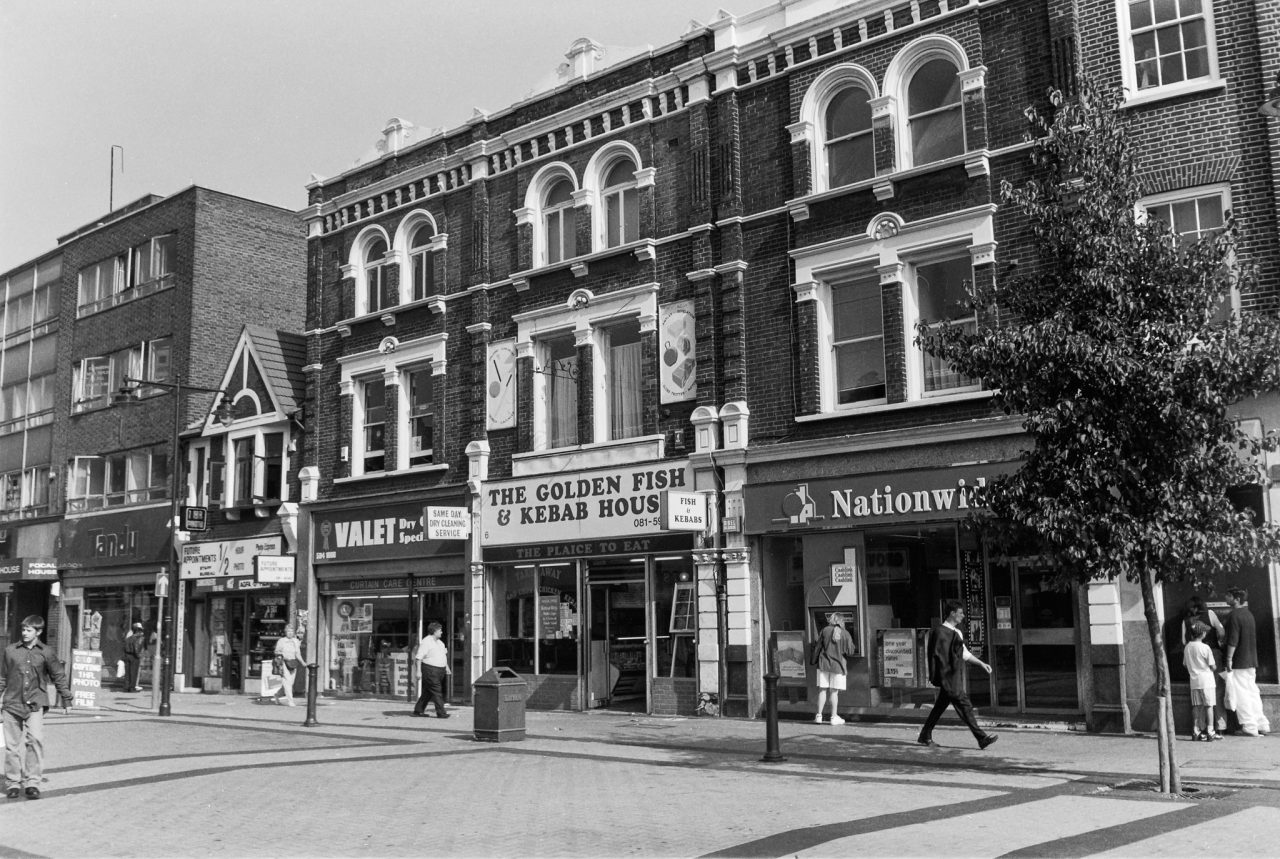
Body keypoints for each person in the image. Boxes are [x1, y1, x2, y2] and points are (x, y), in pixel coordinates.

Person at [0, 616, 73, 800]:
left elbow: (58, 675)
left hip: (36, 703)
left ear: (38, 632)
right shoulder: (10, 651)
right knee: (11, 747)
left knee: (35, 741)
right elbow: (2, 678)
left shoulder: (47, 652)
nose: (24, 633)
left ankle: (32, 783)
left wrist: (66, 698)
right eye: (23, 629)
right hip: (12, 703)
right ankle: (13, 783)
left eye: (29, 630)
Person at [918, 600, 998, 750]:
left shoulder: (957, 633)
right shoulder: (940, 632)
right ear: (952, 613)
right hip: (948, 678)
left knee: (939, 707)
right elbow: (938, 658)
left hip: (952, 677)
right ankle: (981, 738)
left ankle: (925, 735)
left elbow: (964, 654)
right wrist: (944, 680)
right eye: (960, 613)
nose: (963, 616)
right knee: (965, 705)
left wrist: (981, 663)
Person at [1223, 587, 1271, 737]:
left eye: (1228, 596)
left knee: (1241, 694)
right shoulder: (1249, 614)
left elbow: (1233, 640)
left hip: (1239, 661)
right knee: (1252, 692)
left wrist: (1229, 658)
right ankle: (1262, 723)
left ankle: (1249, 726)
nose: (1226, 598)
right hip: (1251, 660)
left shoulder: (1233, 616)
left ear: (1236, 599)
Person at [1180, 595, 1225, 732]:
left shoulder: (1185, 621)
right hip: (1212, 653)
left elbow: (1183, 641)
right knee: (1216, 692)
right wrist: (1219, 642)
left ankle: (1200, 727)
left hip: (1193, 657)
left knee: (1197, 700)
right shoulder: (1210, 613)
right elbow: (1221, 631)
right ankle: (1220, 725)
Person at [812, 611, 855, 726]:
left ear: (831, 620)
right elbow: (851, 651)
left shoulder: (824, 630)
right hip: (838, 666)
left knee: (822, 690)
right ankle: (833, 717)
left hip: (823, 664)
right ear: (841, 621)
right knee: (834, 692)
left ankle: (819, 716)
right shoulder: (845, 634)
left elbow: (818, 646)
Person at [1182, 622, 1221, 741]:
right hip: (1207, 680)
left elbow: (1184, 664)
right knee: (1209, 706)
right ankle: (1210, 731)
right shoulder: (1205, 647)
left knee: (1196, 706)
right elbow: (1213, 666)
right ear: (1202, 634)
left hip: (1194, 681)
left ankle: (1195, 731)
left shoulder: (1187, 647)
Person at [411, 622, 450, 718]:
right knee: (437, 691)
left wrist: (447, 668)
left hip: (440, 670)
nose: (442, 632)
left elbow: (443, 656)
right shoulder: (426, 642)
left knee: (428, 691)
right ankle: (441, 713)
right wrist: (418, 671)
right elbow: (419, 658)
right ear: (435, 631)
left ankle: (418, 710)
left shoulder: (441, 643)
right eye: (440, 630)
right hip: (430, 670)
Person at [272, 625, 304, 707]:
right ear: (285, 632)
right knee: (288, 682)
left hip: (293, 663)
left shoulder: (296, 641)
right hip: (284, 663)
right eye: (288, 631)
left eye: (291, 631)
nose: (290, 633)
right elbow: (276, 651)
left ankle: (277, 695)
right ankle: (290, 701)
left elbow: (298, 653)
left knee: (289, 683)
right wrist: (281, 655)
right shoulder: (281, 641)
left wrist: (303, 662)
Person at [123, 622, 146, 692]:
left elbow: (124, 647)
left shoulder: (128, 638)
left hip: (127, 656)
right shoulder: (137, 639)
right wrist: (138, 656)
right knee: (133, 672)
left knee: (127, 672)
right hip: (134, 657)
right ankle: (132, 687)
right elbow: (136, 648)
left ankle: (126, 687)